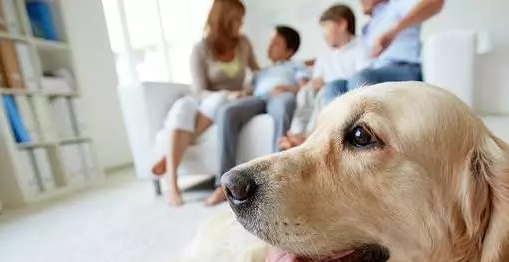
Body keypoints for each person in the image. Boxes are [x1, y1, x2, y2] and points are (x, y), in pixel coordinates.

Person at [151, 0, 259, 206]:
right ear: (223, 20)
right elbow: (199, 91)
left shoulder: (243, 43)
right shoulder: (201, 49)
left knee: (220, 100)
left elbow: (257, 73)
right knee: (182, 107)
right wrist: (229, 93)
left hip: (225, 102)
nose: (241, 23)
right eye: (237, 19)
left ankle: (170, 157)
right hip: (205, 100)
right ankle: (172, 186)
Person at [204, 25, 309, 206]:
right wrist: (242, 94)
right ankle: (222, 184)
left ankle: (276, 178)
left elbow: (304, 86)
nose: (269, 46)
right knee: (227, 111)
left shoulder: (296, 65)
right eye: (270, 42)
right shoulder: (261, 72)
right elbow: (250, 89)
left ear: (289, 50)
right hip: (258, 98)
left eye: (275, 43)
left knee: (285, 104)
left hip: (281, 95)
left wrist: (287, 88)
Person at [278, 3, 365, 151]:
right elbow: (317, 77)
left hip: (340, 91)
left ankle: (311, 136)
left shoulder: (360, 48)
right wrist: (314, 82)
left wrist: (324, 84)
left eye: (326, 27)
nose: (324, 34)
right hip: (322, 89)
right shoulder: (325, 56)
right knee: (306, 91)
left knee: (323, 93)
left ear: (342, 25)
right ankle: (296, 133)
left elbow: (360, 78)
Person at [323, 0, 445, 104]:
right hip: (375, 73)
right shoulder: (368, 27)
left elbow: (435, 2)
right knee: (334, 86)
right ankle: (334, 130)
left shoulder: (395, 6)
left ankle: (370, 130)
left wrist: (393, 31)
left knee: (361, 78)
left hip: (404, 68)